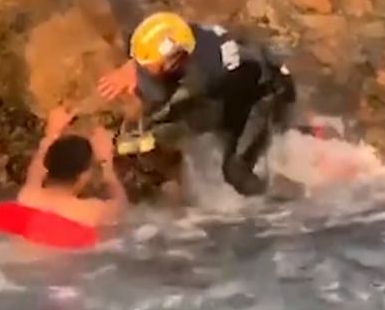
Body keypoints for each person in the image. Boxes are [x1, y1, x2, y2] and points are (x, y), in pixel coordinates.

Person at [97, 11, 297, 196]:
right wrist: (132, 65)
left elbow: (170, 112)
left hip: (266, 95)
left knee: (235, 171)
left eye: (148, 66)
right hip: (247, 79)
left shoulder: (201, 76)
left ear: (176, 60)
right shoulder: (184, 35)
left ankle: (278, 196)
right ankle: (298, 133)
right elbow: (164, 43)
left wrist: (146, 132)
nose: (144, 69)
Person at [0, 106, 127, 249]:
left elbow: (35, 172)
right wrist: (106, 162)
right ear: (83, 176)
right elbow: (121, 205)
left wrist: (51, 132)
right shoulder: (90, 212)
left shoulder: (28, 197)